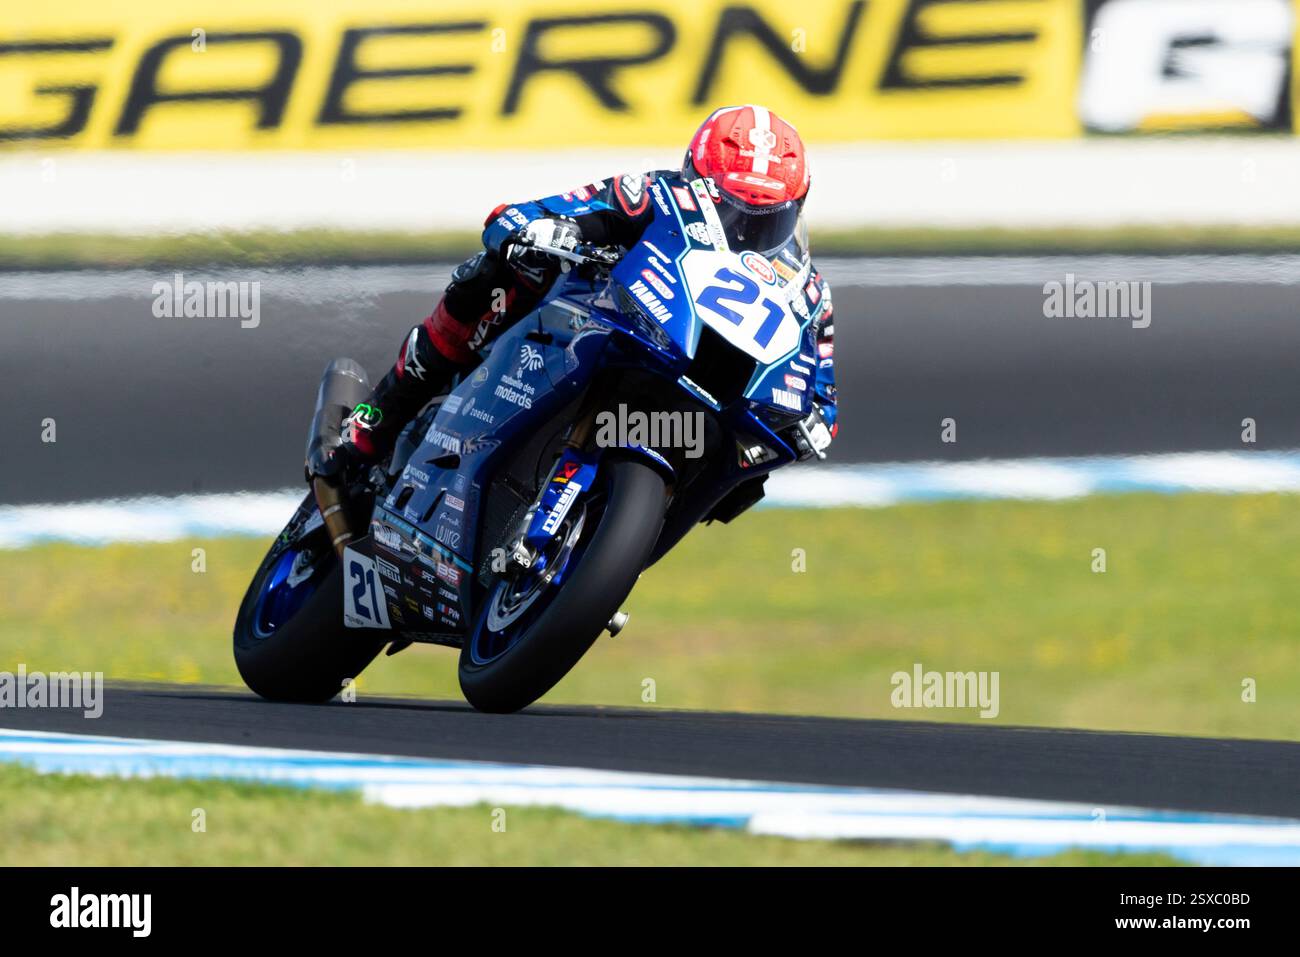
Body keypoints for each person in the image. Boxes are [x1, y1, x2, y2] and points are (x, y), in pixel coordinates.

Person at [325, 104, 836, 477]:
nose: (744, 229)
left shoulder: (809, 293)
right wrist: (545, 231)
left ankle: (609, 548)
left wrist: (812, 422)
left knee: (755, 466)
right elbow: (530, 215)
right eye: (731, 209)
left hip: (698, 406)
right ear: (695, 181)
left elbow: (824, 398)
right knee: (498, 273)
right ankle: (382, 412)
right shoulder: (651, 193)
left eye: (765, 218)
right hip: (608, 322)